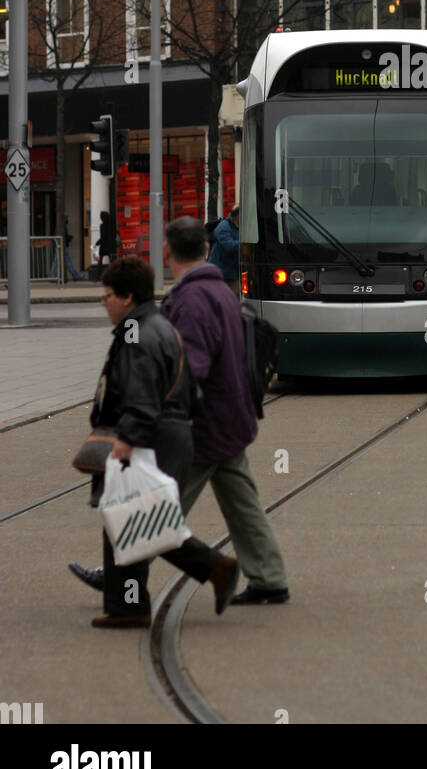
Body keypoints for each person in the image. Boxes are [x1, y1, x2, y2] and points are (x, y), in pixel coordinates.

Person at [69, 220, 289, 606]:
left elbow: (189, 368)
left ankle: (120, 580)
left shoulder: (190, 301)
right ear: (206, 250)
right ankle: (269, 578)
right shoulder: (219, 290)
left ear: (167, 252)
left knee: (150, 507)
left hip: (202, 426)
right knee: (242, 505)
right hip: (231, 419)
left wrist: (165, 420)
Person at [69, 256, 240, 628]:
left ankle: (145, 600)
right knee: (137, 517)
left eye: (108, 295)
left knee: (129, 516)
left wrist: (129, 438)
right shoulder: (161, 325)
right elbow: (190, 388)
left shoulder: (136, 333)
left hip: (150, 435)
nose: (104, 302)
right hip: (171, 433)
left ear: (128, 297)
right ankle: (137, 602)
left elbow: (141, 393)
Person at [207, 205, 240, 294]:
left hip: (233, 272)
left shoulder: (237, 227)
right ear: (237, 215)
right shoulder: (223, 227)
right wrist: (245, 243)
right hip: (221, 272)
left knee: (234, 298)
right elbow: (229, 246)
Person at [50, 216, 84, 282]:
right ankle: (52, 275)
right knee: (60, 261)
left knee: (63, 261)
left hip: (61, 245)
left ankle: (74, 275)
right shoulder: (62, 227)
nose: (67, 220)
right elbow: (63, 236)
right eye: (66, 218)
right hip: (62, 246)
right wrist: (69, 238)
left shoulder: (61, 226)